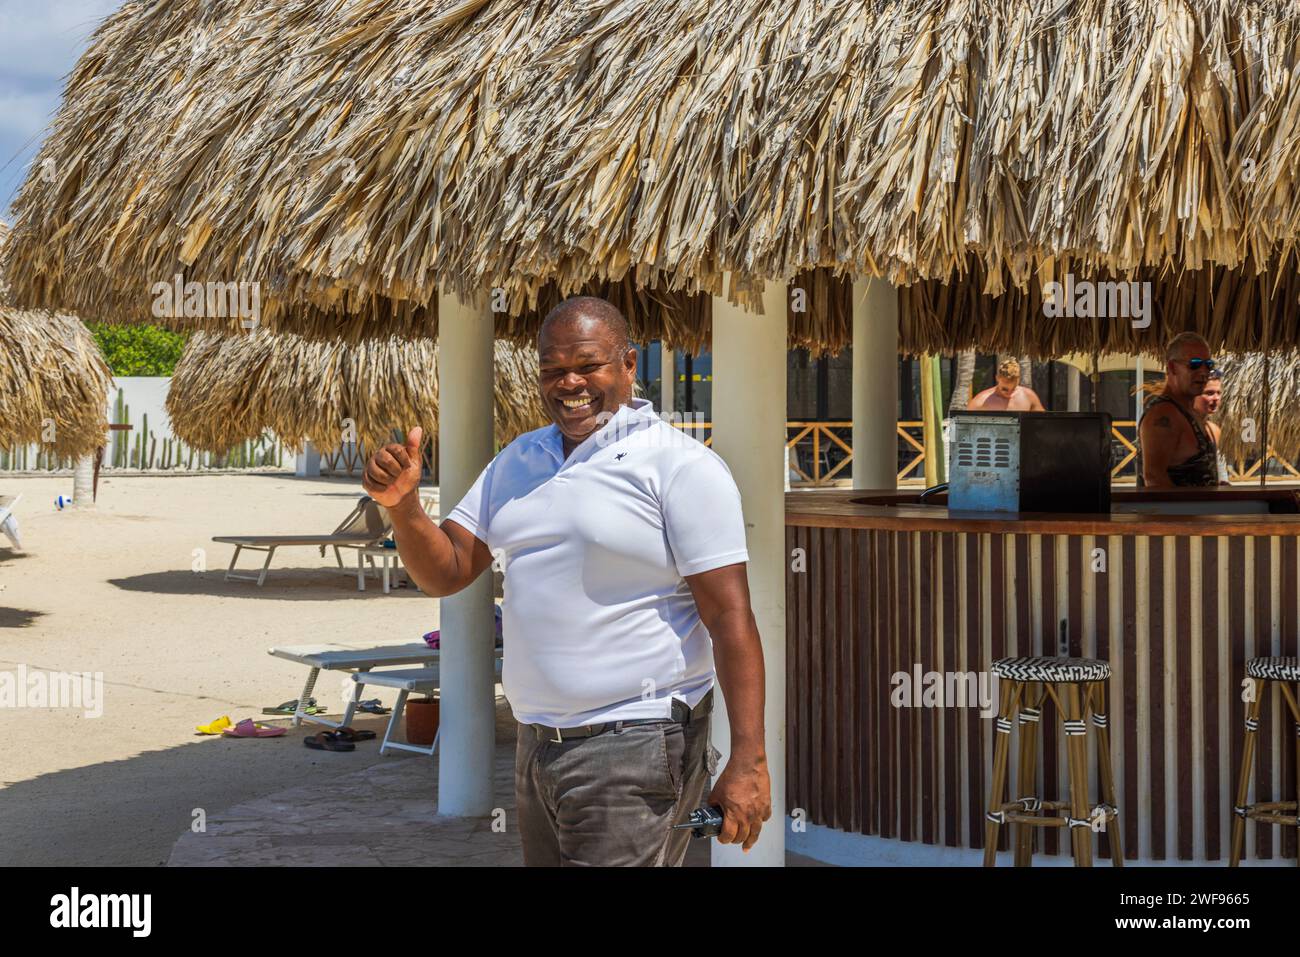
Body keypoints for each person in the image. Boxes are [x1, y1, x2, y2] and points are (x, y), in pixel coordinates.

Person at [362, 296, 772, 866]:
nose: (569, 383)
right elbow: (448, 570)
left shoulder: (678, 467)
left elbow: (730, 620)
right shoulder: (519, 460)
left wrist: (749, 761)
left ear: (629, 364)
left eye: (588, 365)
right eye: (553, 370)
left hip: (634, 746)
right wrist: (403, 507)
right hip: (539, 746)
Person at [1138, 332, 1219, 488]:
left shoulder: (1189, 412)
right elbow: (1154, 479)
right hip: (1178, 513)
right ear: (1172, 367)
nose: (1203, 372)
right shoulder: (1164, 414)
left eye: (1208, 365)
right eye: (1194, 364)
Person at [1193, 369, 1231, 485]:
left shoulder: (1213, 430)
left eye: (1218, 393)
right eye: (1209, 393)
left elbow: (1221, 472)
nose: (1216, 398)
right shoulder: (1176, 426)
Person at [967, 358, 1046, 411]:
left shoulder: (1028, 396)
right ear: (997, 378)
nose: (1010, 393)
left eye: (1014, 389)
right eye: (1005, 389)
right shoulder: (981, 401)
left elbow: (1042, 424)